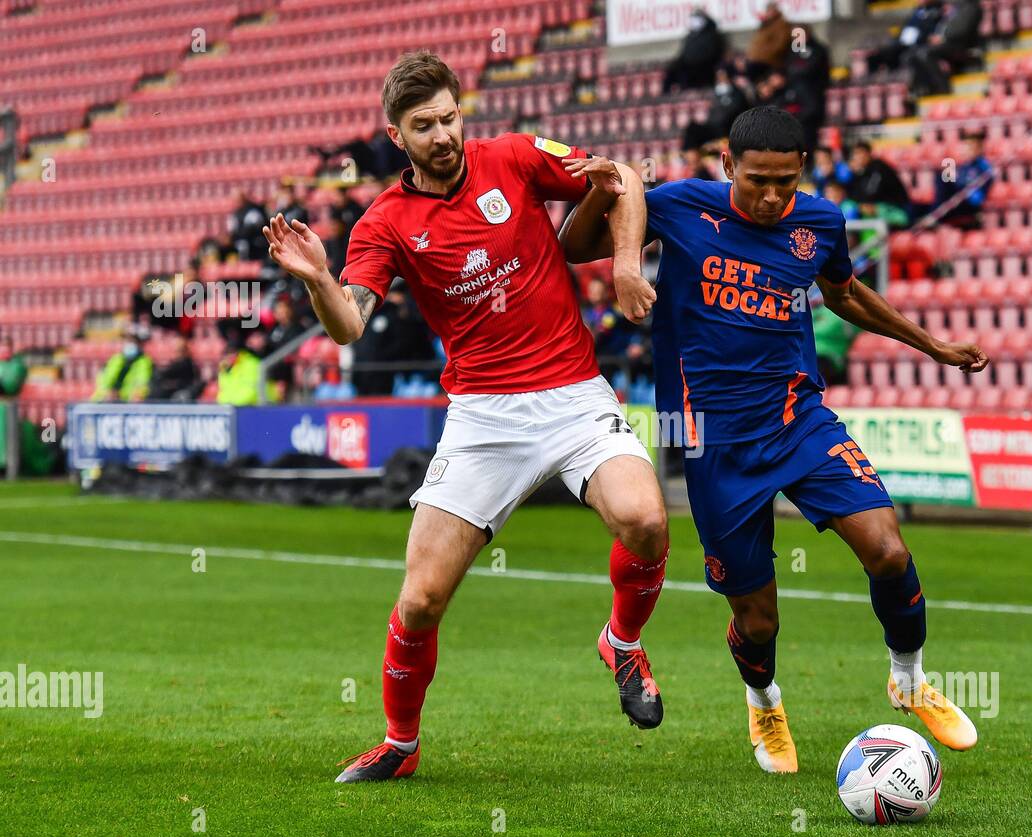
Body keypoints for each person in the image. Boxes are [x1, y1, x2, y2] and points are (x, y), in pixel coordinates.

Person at [263, 51, 671, 783]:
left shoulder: (513, 158)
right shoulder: (384, 223)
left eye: (450, 118)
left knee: (645, 519)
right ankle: (400, 742)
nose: (443, 135)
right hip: (483, 417)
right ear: (397, 135)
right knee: (420, 599)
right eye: (424, 126)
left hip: (575, 393)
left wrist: (626, 264)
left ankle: (623, 641)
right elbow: (348, 327)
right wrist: (321, 280)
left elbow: (620, 178)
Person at [561, 107, 988, 773]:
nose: (770, 197)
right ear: (729, 165)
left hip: (798, 419)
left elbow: (843, 295)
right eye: (757, 180)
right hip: (713, 443)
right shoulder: (678, 206)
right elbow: (573, 245)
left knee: (889, 552)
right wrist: (609, 210)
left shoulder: (818, 223)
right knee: (757, 620)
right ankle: (764, 701)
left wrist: (931, 344)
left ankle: (908, 681)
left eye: (784, 184)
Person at [907, 0, 984, 97]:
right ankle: (925, 88)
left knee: (925, 53)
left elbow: (961, 31)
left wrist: (943, 38)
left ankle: (943, 88)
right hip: (948, 43)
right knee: (913, 54)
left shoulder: (970, 7)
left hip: (961, 45)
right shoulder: (953, 7)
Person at [931, 131, 994, 230]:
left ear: (980, 147)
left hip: (969, 204)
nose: (969, 148)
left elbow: (976, 195)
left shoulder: (982, 166)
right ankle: (936, 213)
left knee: (943, 179)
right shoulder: (964, 166)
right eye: (967, 145)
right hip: (958, 200)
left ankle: (936, 215)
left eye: (972, 145)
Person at [866, 0, 944, 74]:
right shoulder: (917, 11)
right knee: (874, 56)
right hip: (902, 42)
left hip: (917, 43)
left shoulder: (937, 11)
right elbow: (906, 29)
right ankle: (870, 83)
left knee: (900, 55)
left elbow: (933, 32)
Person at [662, 7, 727, 94]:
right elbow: (683, 54)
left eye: (697, 18)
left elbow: (712, 54)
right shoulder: (690, 36)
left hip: (705, 67)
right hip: (689, 66)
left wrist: (694, 60)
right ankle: (666, 96)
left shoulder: (712, 35)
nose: (694, 21)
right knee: (672, 70)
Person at [847, 141, 912, 226]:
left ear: (868, 153)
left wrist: (858, 174)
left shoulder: (879, 167)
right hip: (879, 207)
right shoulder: (862, 172)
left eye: (859, 153)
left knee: (867, 209)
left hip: (897, 209)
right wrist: (855, 174)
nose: (857, 157)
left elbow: (871, 193)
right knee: (849, 207)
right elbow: (853, 196)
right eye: (855, 154)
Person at [92, 330, 152, 402]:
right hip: (104, 402)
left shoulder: (144, 362)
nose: (130, 345)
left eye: (133, 342)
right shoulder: (115, 359)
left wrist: (138, 394)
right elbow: (103, 380)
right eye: (128, 341)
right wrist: (107, 393)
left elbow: (143, 381)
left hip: (128, 404)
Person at [147, 336, 200, 401]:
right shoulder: (179, 364)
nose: (174, 352)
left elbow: (165, 374)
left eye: (178, 350)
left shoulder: (185, 364)